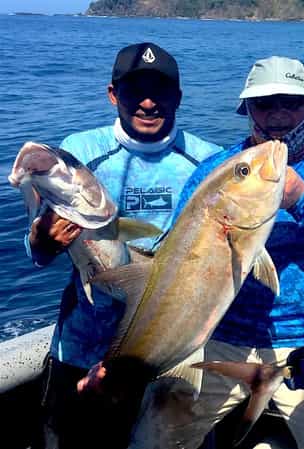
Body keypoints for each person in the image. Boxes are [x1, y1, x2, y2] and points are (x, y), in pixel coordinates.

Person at [125, 56, 304, 449]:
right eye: (264, 104)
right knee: (152, 438)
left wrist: (301, 201)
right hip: (219, 340)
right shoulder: (216, 171)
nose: (278, 114)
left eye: (291, 103)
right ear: (247, 110)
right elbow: (173, 259)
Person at [27, 42, 221, 448]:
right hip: (80, 351)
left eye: (161, 91)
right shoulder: (79, 155)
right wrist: (43, 241)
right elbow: (39, 253)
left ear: (179, 97)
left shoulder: (207, 162)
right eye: (135, 91)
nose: (148, 103)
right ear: (113, 94)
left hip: (167, 356)